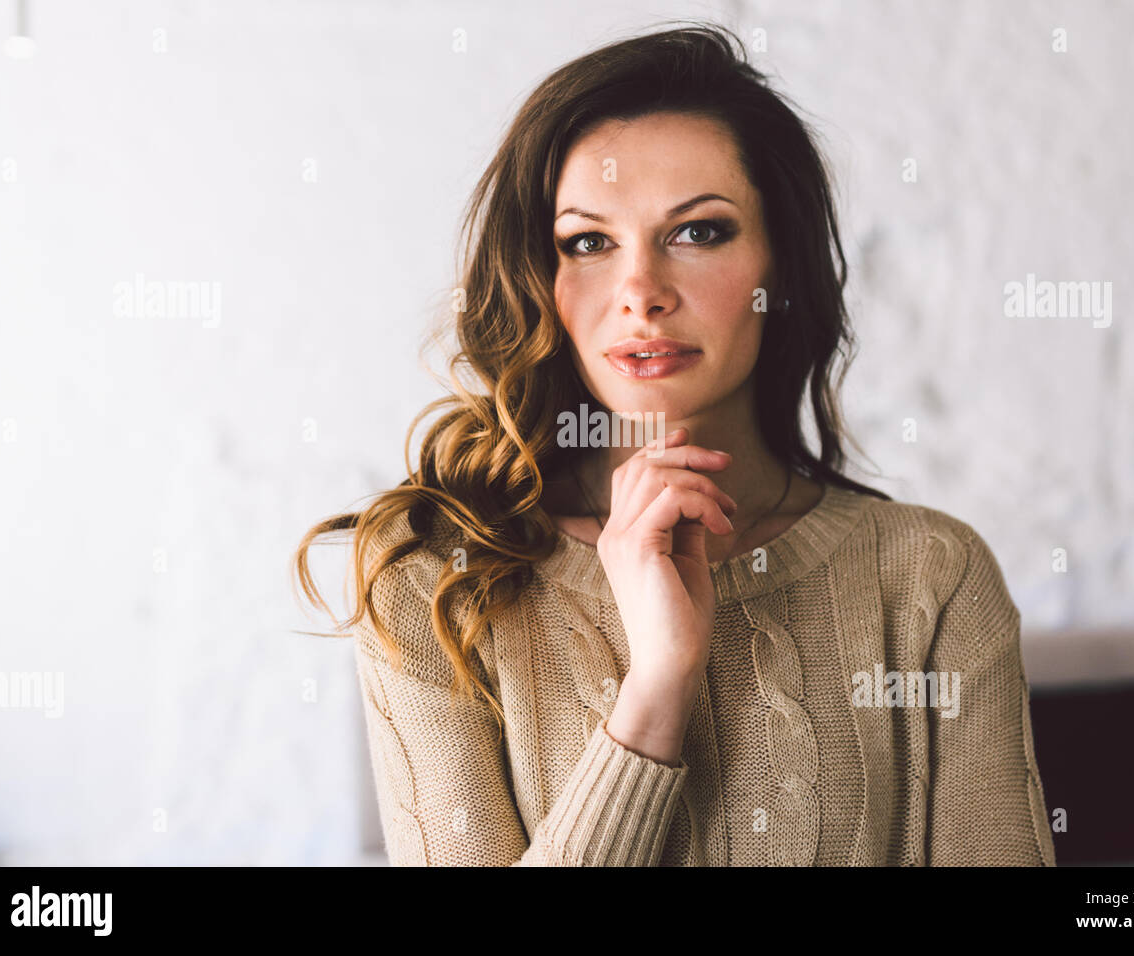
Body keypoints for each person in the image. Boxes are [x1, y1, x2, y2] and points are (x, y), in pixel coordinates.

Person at [294, 22, 1056, 866]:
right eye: (588, 242)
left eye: (698, 232)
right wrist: (658, 683)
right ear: (539, 278)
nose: (641, 294)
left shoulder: (932, 577)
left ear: (781, 267)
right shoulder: (434, 581)